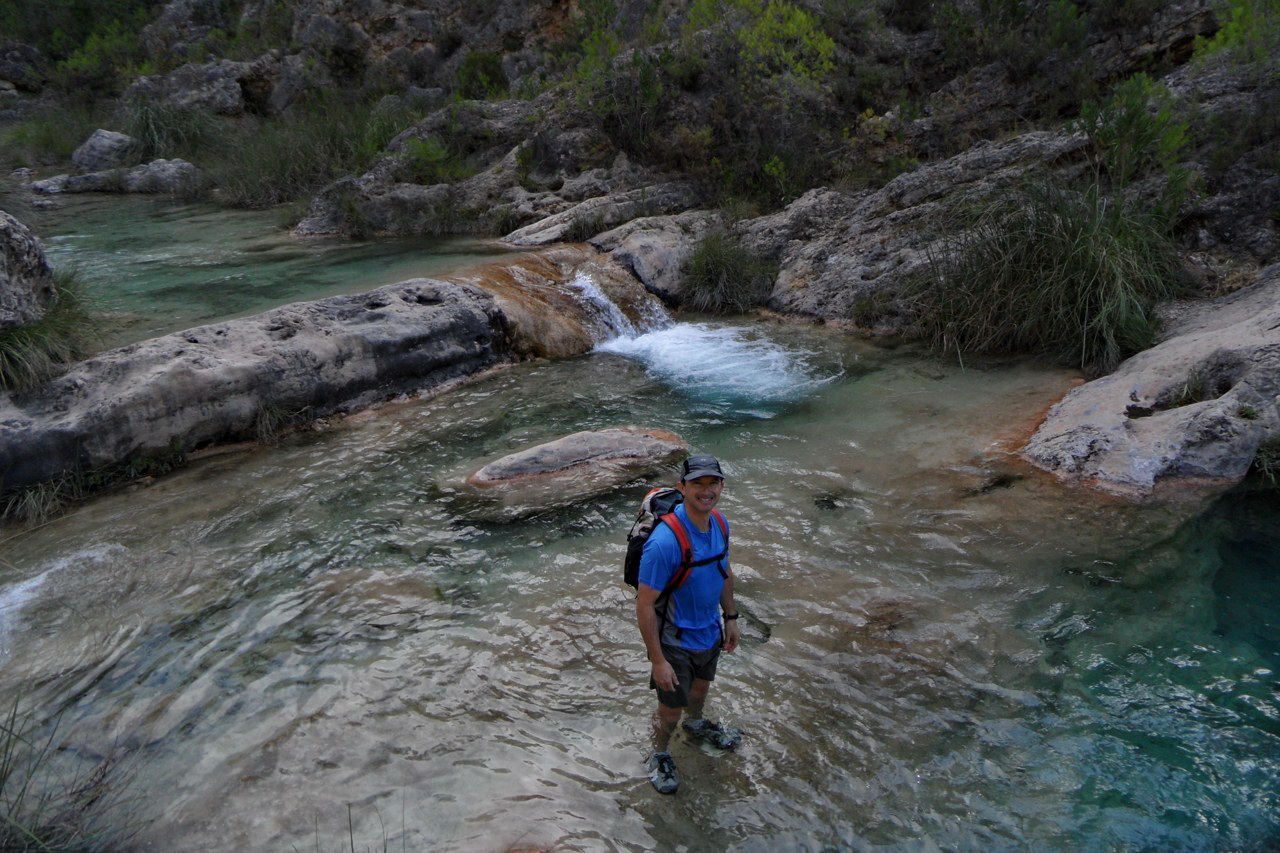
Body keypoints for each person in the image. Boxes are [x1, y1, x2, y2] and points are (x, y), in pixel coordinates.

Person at [636, 453, 742, 794]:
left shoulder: (720, 524)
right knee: (670, 710)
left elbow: (723, 571)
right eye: (698, 483)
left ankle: (695, 726)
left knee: (700, 691)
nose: (706, 491)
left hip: (709, 632)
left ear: (722, 487)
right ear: (682, 487)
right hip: (675, 641)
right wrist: (658, 660)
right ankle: (660, 754)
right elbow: (645, 605)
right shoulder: (664, 542)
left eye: (713, 483)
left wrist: (731, 617)